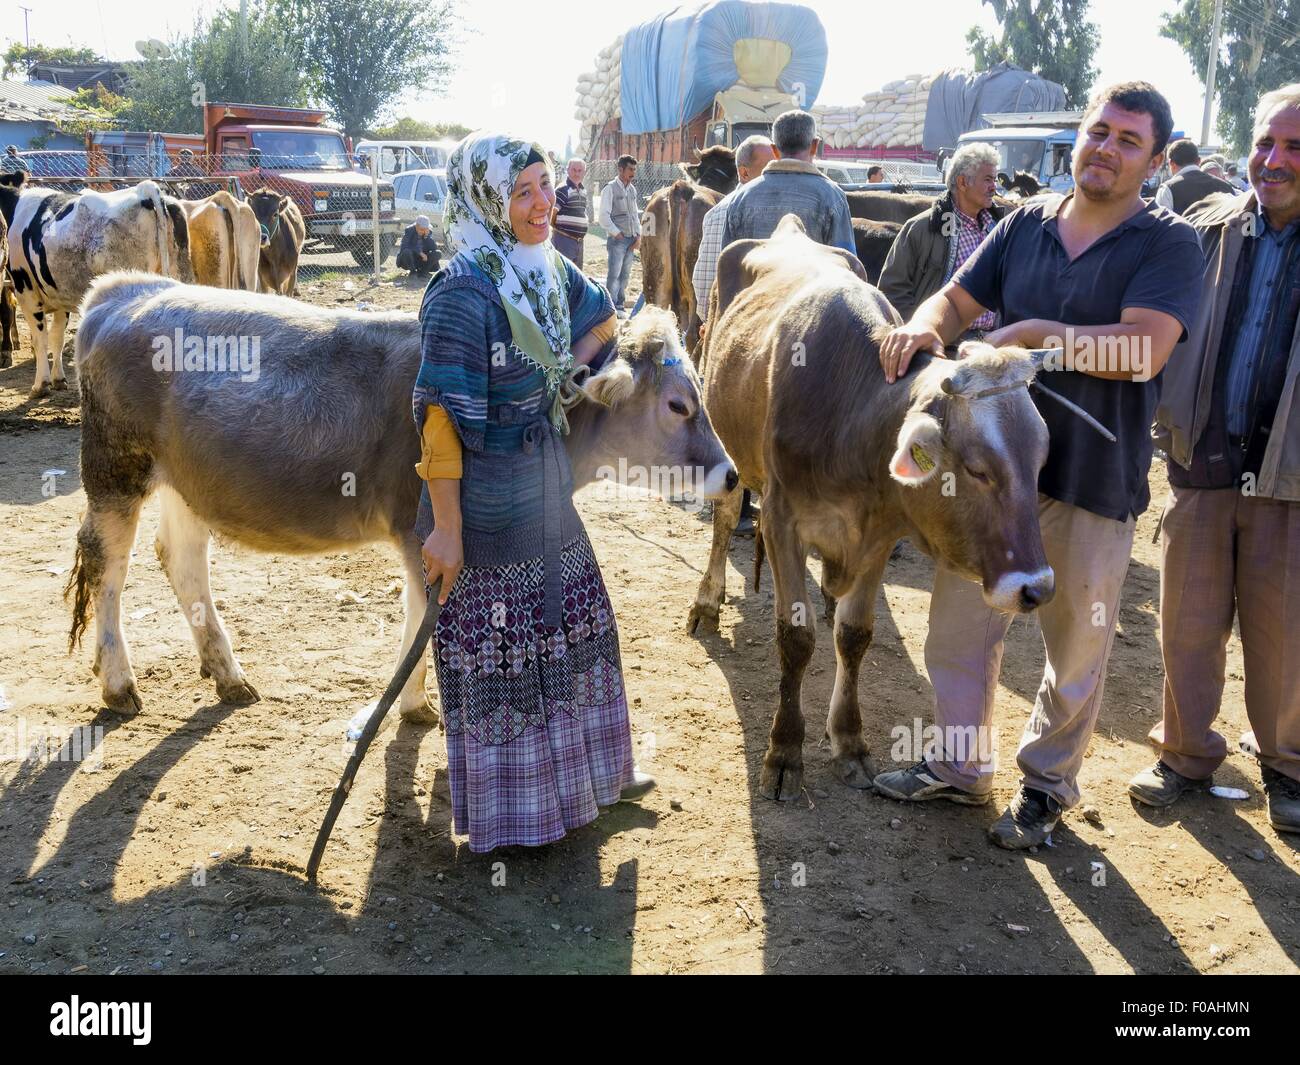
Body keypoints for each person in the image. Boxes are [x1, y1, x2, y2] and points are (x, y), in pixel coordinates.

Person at [873, 82, 1203, 849]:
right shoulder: (1024, 224)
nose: (1106, 148)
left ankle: (1046, 788)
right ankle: (960, 769)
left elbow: (1142, 348)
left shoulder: (1167, 242)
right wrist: (920, 327)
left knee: (1076, 646)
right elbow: (954, 303)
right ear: (1079, 137)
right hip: (986, 479)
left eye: (1129, 140)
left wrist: (1026, 333)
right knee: (957, 629)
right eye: (1099, 131)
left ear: (1153, 161)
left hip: (1092, 476)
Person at [413, 131, 653, 853]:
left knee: (576, 633)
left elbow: (608, 318)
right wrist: (447, 530)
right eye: (522, 192)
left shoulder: (547, 268)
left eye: (546, 184)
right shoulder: (462, 292)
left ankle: (585, 785)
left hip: (548, 496)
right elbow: (440, 422)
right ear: (487, 201)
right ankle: (516, 814)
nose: (543, 203)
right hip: (483, 510)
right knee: (507, 652)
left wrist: (561, 371)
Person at [1129, 85, 1300, 836]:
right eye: (1267, 143)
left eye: (1295, 148)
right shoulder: (1206, 229)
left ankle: (1288, 765)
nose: (1274, 160)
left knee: (1285, 634)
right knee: (1187, 626)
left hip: (1292, 480)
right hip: (1202, 463)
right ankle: (1183, 755)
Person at [878, 141, 1005, 324]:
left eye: (994, 179)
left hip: (995, 343)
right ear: (962, 182)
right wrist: (921, 332)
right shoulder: (921, 229)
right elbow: (892, 290)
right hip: (943, 345)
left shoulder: (999, 229)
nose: (994, 187)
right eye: (987, 179)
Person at [720, 109, 855, 254]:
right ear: (815, 146)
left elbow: (727, 266)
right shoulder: (833, 197)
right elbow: (846, 262)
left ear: (774, 150)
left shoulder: (740, 199)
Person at [691, 135, 777, 327]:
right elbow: (705, 282)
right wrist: (715, 324)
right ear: (744, 174)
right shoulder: (721, 213)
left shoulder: (784, 207)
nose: (775, 176)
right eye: (767, 170)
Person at [599, 154, 640, 314]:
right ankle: (610, 307)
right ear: (621, 169)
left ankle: (620, 305)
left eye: (634, 169)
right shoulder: (609, 189)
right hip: (618, 240)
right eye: (630, 169)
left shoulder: (632, 190)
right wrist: (617, 234)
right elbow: (603, 216)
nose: (633, 172)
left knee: (625, 274)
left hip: (631, 239)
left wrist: (638, 235)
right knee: (614, 274)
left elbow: (635, 215)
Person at [1155, 138, 1234, 214]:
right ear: (1199, 161)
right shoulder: (1226, 187)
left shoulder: (1167, 189)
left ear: (1171, 163)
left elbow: (1160, 225)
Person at [551, 157, 589, 267]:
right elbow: (552, 213)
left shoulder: (583, 190)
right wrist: (559, 230)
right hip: (564, 240)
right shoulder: (563, 189)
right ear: (567, 170)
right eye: (574, 170)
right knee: (564, 274)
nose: (577, 173)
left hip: (578, 242)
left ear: (584, 172)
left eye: (580, 170)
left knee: (576, 276)